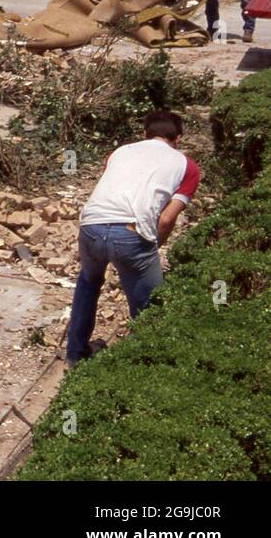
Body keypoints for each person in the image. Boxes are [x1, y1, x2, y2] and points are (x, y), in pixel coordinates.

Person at [66, 111, 199, 366]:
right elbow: (166, 220)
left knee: (88, 281)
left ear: (144, 134)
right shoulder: (187, 166)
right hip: (131, 231)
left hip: (91, 225)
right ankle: (141, 364)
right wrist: (149, 247)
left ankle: (75, 354)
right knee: (149, 306)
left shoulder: (119, 152)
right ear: (178, 138)